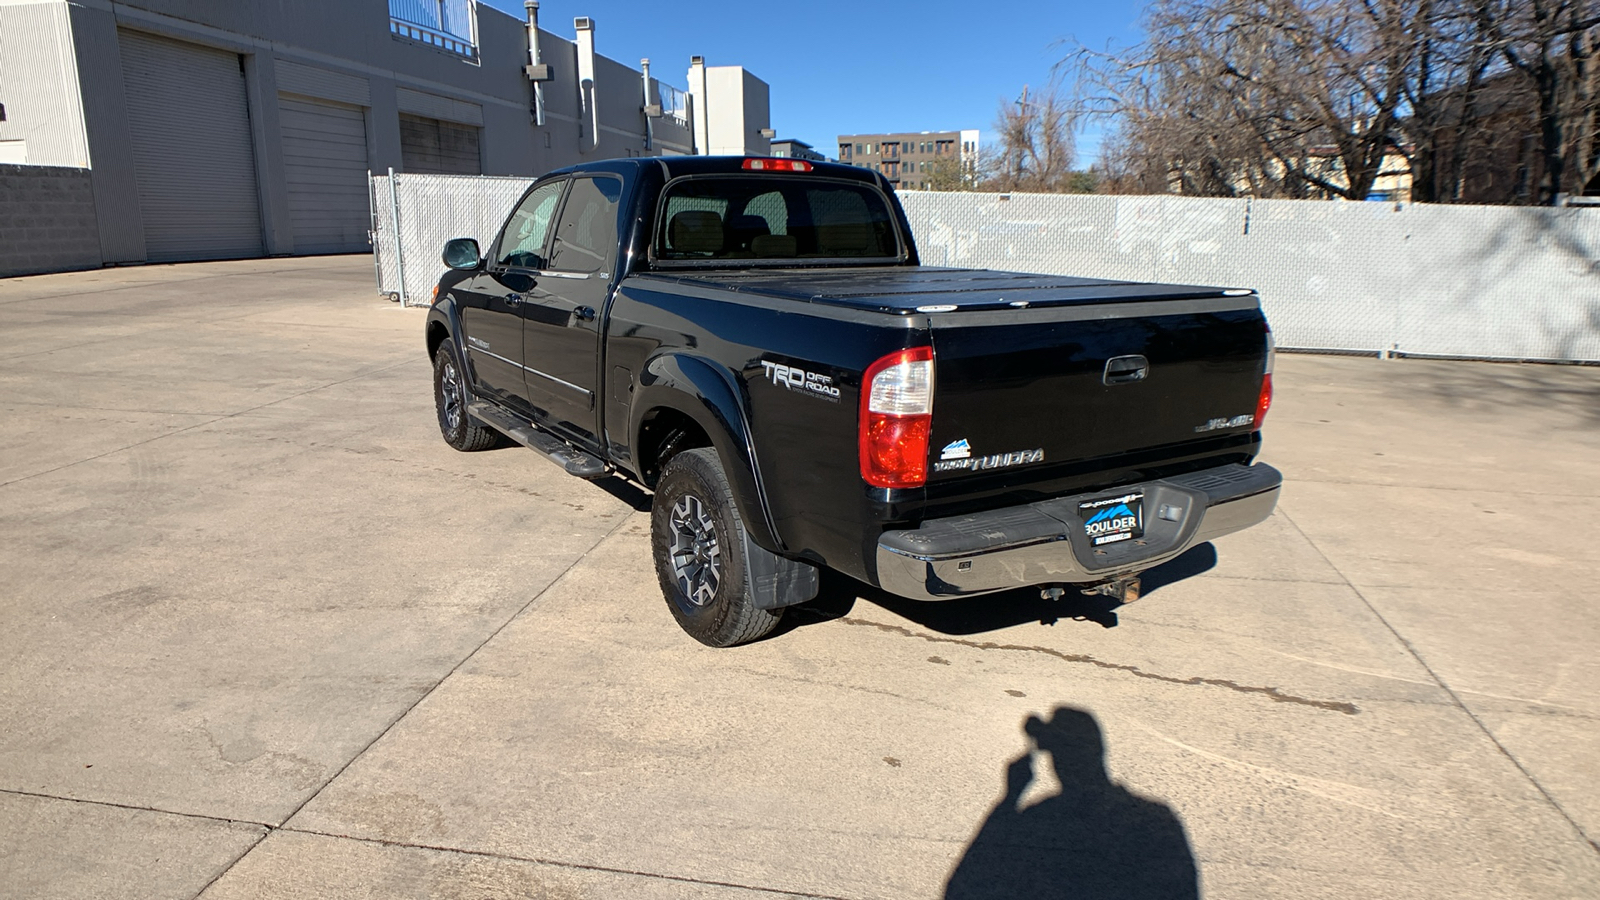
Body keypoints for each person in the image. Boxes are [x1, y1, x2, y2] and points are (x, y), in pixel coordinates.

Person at [945, 706, 1199, 899]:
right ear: (1098, 751)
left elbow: (963, 890)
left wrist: (1008, 802)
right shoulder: (1154, 821)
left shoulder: (1039, 824)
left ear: (1055, 760)